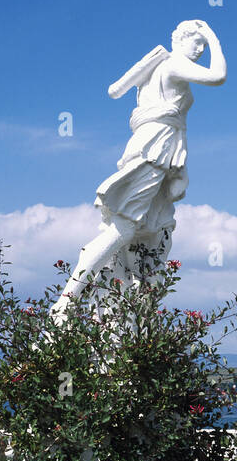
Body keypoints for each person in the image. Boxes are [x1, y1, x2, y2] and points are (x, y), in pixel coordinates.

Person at [52, 19, 227, 320]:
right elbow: (218, 76)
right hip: (154, 148)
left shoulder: (156, 70)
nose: (200, 49)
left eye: (203, 44)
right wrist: (213, 37)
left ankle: (134, 322)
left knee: (152, 233)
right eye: (195, 42)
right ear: (178, 40)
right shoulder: (172, 64)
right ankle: (67, 300)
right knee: (123, 226)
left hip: (163, 149)